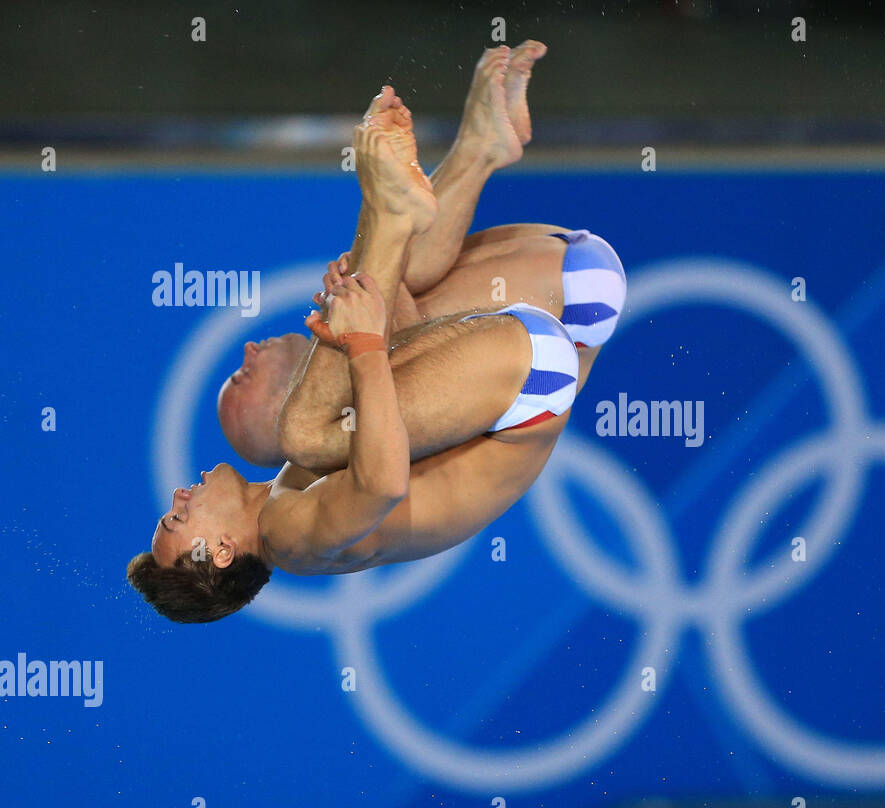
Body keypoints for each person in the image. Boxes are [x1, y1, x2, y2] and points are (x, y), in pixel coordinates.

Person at [128, 44, 626, 624]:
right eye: (175, 519)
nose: (177, 498)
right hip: (532, 374)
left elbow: (413, 397)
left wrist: (368, 308)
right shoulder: (291, 540)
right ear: (218, 552)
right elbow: (383, 483)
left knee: (379, 294)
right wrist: (362, 341)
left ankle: (470, 157)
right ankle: (392, 209)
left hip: (559, 307)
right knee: (310, 425)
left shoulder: (290, 495)